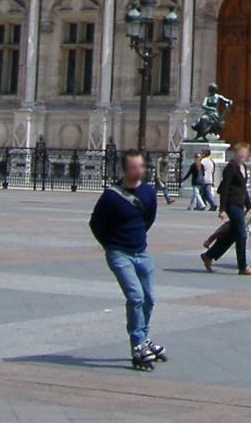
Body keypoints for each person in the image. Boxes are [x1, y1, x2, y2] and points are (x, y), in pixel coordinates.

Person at [88, 148, 165, 370]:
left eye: (141, 166)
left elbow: (148, 218)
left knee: (149, 297)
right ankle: (137, 344)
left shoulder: (148, 193)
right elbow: (96, 224)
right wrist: (111, 245)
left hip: (141, 251)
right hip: (119, 253)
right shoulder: (111, 196)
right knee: (136, 296)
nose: (139, 170)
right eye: (134, 167)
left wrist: (137, 237)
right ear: (125, 169)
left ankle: (144, 337)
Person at [201, 142, 251, 276]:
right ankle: (242, 266)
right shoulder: (230, 167)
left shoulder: (243, 166)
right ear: (236, 153)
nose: (243, 155)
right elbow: (224, 188)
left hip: (240, 203)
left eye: (245, 153)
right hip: (231, 204)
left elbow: (243, 188)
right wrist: (222, 209)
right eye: (241, 153)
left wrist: (249, 205)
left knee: (232, 235)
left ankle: (209, 255)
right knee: (242, 234)